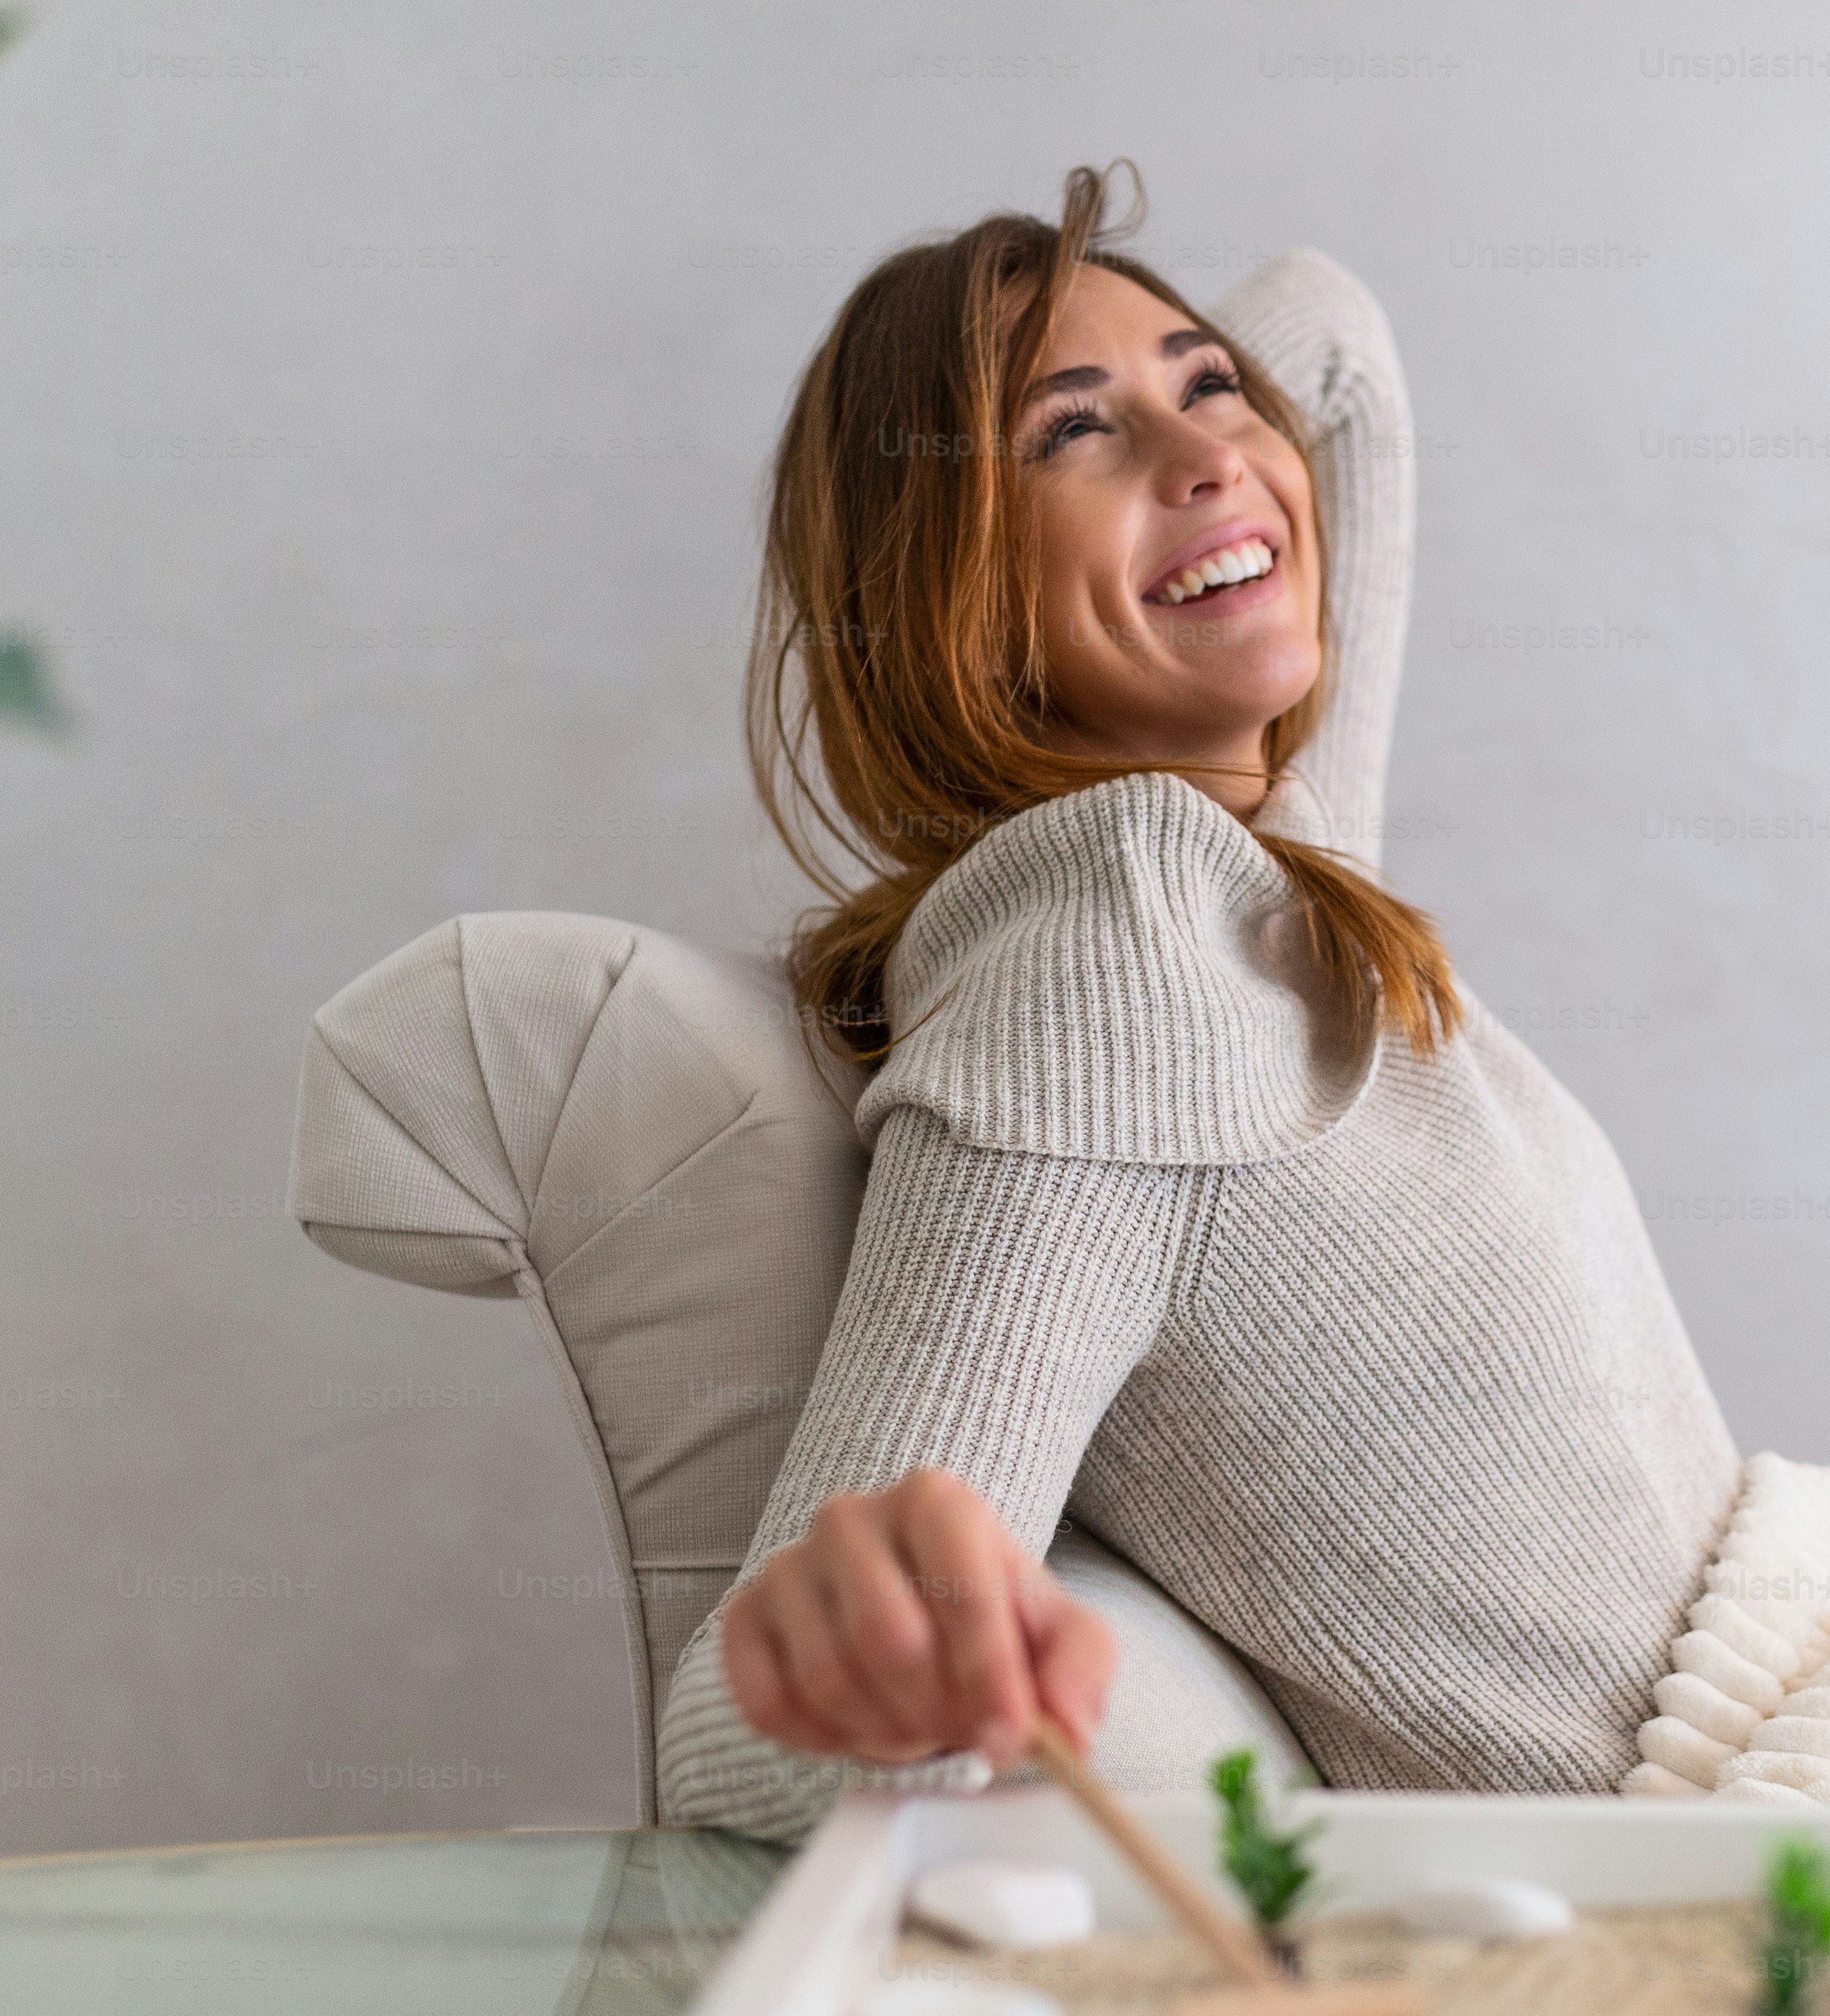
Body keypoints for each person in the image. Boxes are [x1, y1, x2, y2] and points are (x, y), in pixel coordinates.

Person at [659, 166, 1739, 1840]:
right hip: (1808, 1811)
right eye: (1070, 437)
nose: (1212, 458)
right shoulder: (1116, 949)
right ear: (944, 588)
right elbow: (752, 1753)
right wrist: (876, 1659)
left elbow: (1340, 352)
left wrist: (1080, 312)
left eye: (1213, 384)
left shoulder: (1268, 876)